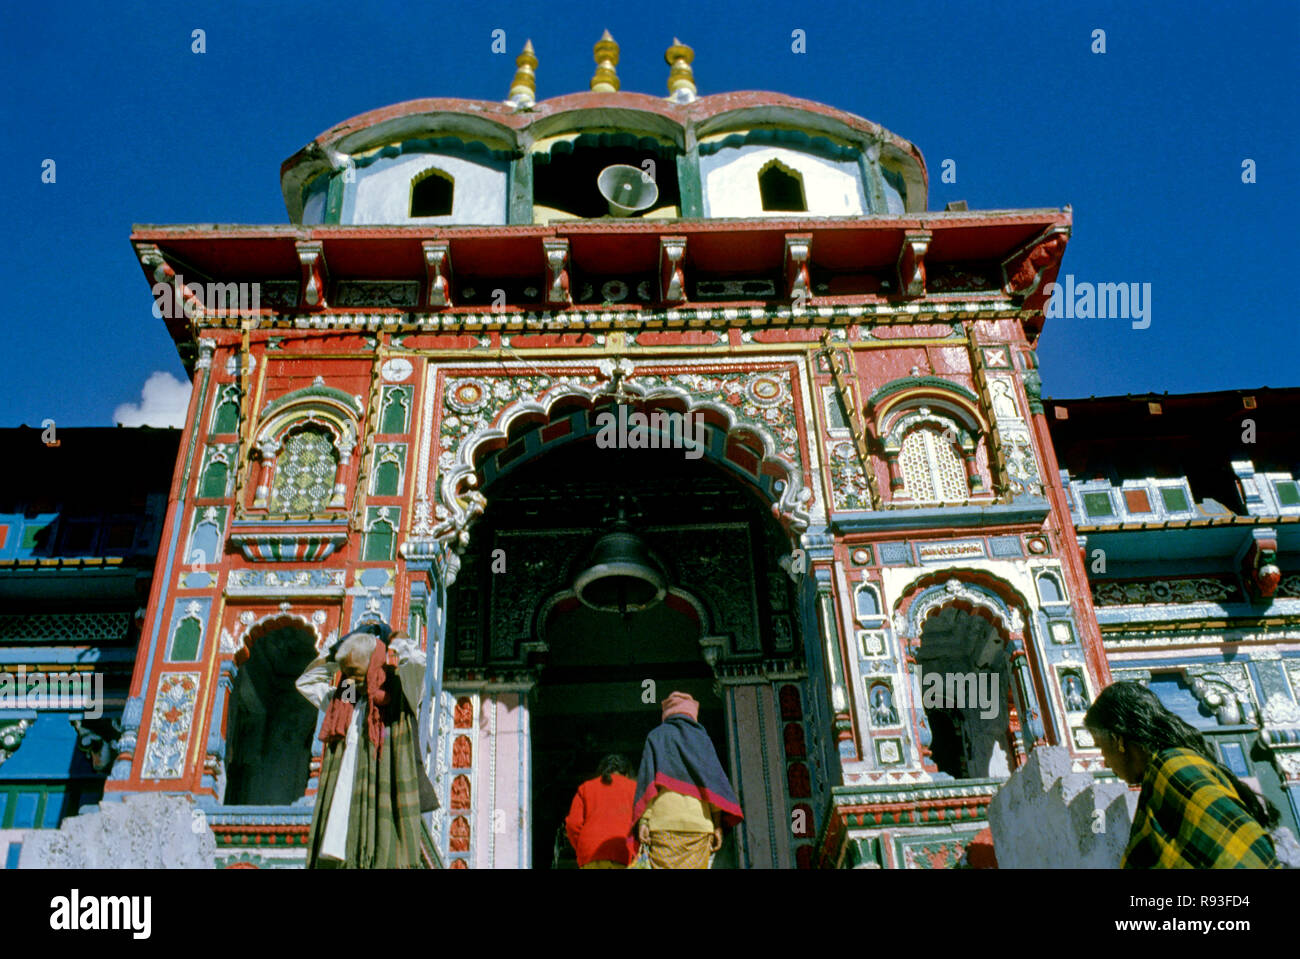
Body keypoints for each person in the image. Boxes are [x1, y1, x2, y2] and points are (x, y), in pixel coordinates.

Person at [1084, 681, 1281, 869]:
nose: (1106, 762)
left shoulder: (1174, 769)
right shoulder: (1161, 773)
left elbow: (1244, 854)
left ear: (1117, 740)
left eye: (1101, 748)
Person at [295, 620, 432, 868]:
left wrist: (398, 641)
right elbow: (305, 683)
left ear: (373, 665)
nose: (352, 679)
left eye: (358, 672)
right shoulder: (344, 700)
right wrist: (336, 655)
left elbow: (417, 663)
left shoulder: (400, 693)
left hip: (385, 800)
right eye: (347, 674)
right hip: (343, 806)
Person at [630, 691, 743, 869]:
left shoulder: (656, 736)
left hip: (662, 825)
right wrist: (717, 825)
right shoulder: (701, 739)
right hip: (698, 826)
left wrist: (644, 822)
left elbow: (649, 785)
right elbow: (712, 786)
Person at [565, 754, 637, 868]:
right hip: (622, 853)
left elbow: (572, 824)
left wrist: (583, 847)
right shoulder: (634, 788)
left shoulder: (585, 788)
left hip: (589, 855)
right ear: (627, 773)